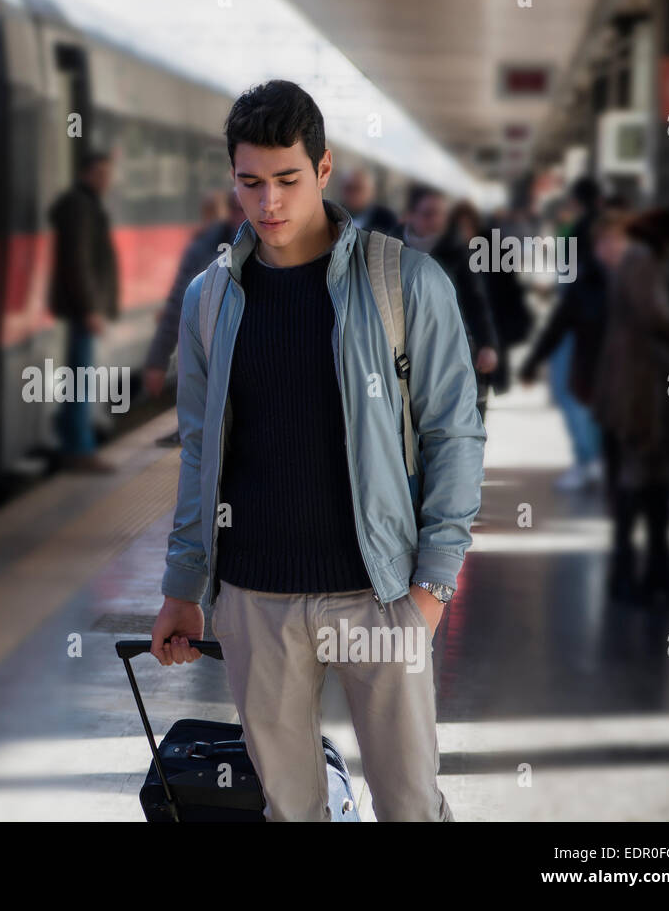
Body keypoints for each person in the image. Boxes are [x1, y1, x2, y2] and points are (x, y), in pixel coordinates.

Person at [151, 79, 484, 821]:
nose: (269, 203)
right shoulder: (212, 299)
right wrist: (185, 586)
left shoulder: (405, 284)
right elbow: (202, 453)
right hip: (253, 599)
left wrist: (432, 587)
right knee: (289, 809)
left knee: (407, 806)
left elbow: (453, 436)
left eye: (287, 181)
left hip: (379, 593)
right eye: (250, 183)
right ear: (233, 179)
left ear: (324, 171)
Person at [589, 203, 669, 604]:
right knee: (637, 478)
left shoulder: (646, 257)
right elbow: (656, 318)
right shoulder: (643, 259)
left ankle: (656, 572)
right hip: (639, 389)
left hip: (652, 385)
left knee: (656, 481)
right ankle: (626, 578)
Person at [518, 177, 607, 490]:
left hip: (578, 324)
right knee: (586, 394)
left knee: (571, 393)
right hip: (597, 326)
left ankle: (589, 460)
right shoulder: (600, 229)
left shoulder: (582, 230)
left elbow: (574, 283)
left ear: (576, 201)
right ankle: (594, 459)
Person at [144, 190, 247, 447]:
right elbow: (178, 303)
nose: (242, 215)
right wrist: (157, 359)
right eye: (236, 207)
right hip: (210, 351)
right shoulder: (204, 247)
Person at [46, 150, 120, 473]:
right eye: (102, 173)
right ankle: (78, 449)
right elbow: (78, 262)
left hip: (82, 308)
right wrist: (91, 308)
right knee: (81, 377)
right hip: (82, 309)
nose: (108, 180)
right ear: (87, 173)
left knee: (81, 374)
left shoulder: (84, 204)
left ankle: (72, 438)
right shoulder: (80, 206)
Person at [428, 198, 500, 421]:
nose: (464, 232)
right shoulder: (445, 252)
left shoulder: (484, 249)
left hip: (470, 339)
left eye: (467, 226)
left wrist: (487, 343)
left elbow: (478, 301)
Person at [340, 167, 398, 235]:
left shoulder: (387, 221)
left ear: (372, 192)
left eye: (358, 188)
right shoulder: (332, 215)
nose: (353, 194)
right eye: (349, 188)